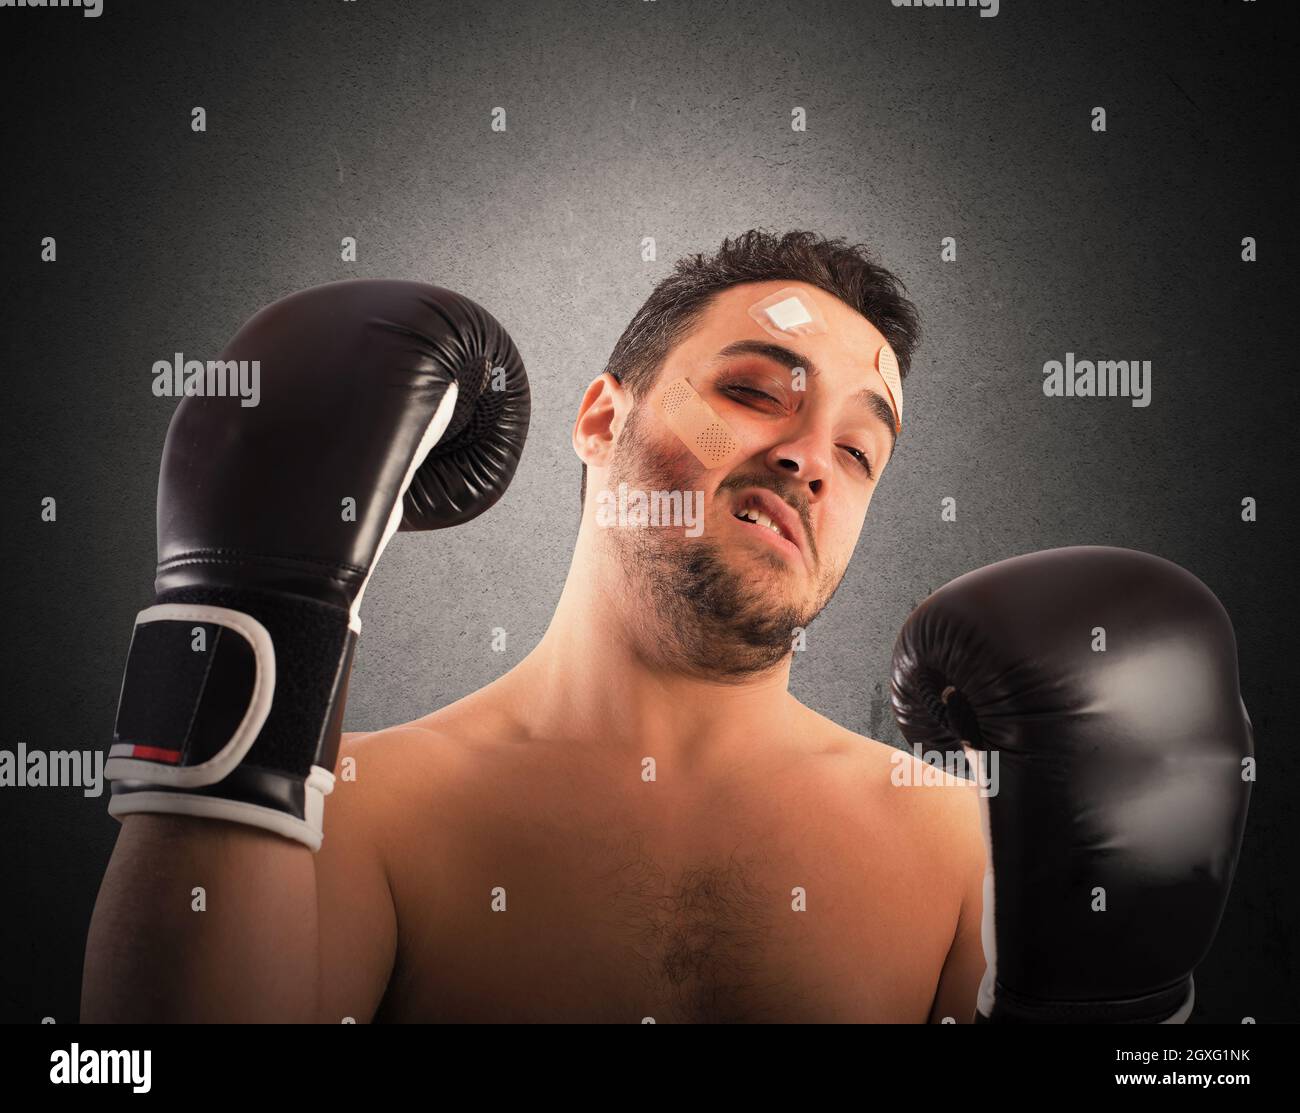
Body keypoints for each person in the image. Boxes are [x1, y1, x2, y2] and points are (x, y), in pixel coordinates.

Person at [82, 232, 1249, 1023]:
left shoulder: (963, 849)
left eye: (858, 448)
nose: (807, 461)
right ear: (600, 418)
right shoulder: (360, 811)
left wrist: (1133, 1013)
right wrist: (243, 601)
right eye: (753, 390)